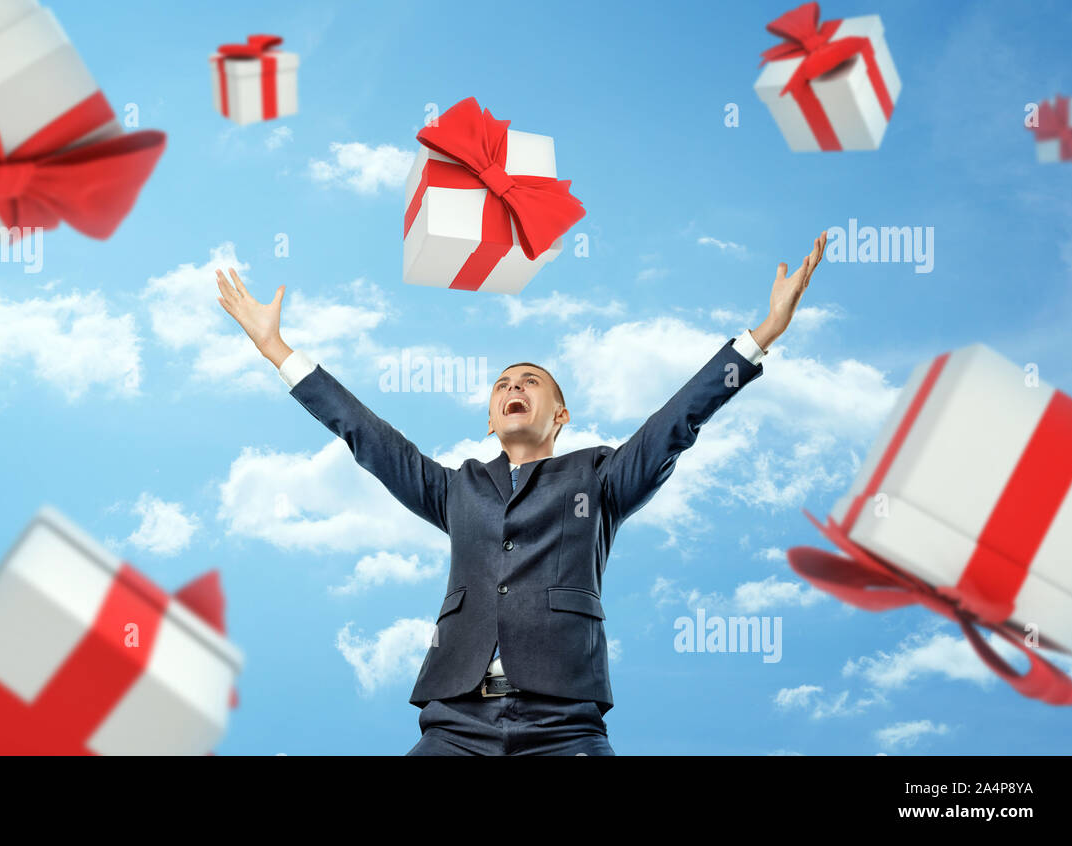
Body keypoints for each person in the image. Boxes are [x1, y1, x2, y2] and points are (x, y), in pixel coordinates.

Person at [216, 230, 827, 755]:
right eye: (504, 383)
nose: (515, 386)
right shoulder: (455, 489)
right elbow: (367, 437)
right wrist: (275, 348)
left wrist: (760, 336)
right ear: (491, 416)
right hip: (455, 722)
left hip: (563, 722)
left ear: (558, 415)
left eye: (531, 381)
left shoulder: (600, 478)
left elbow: (678, 421)